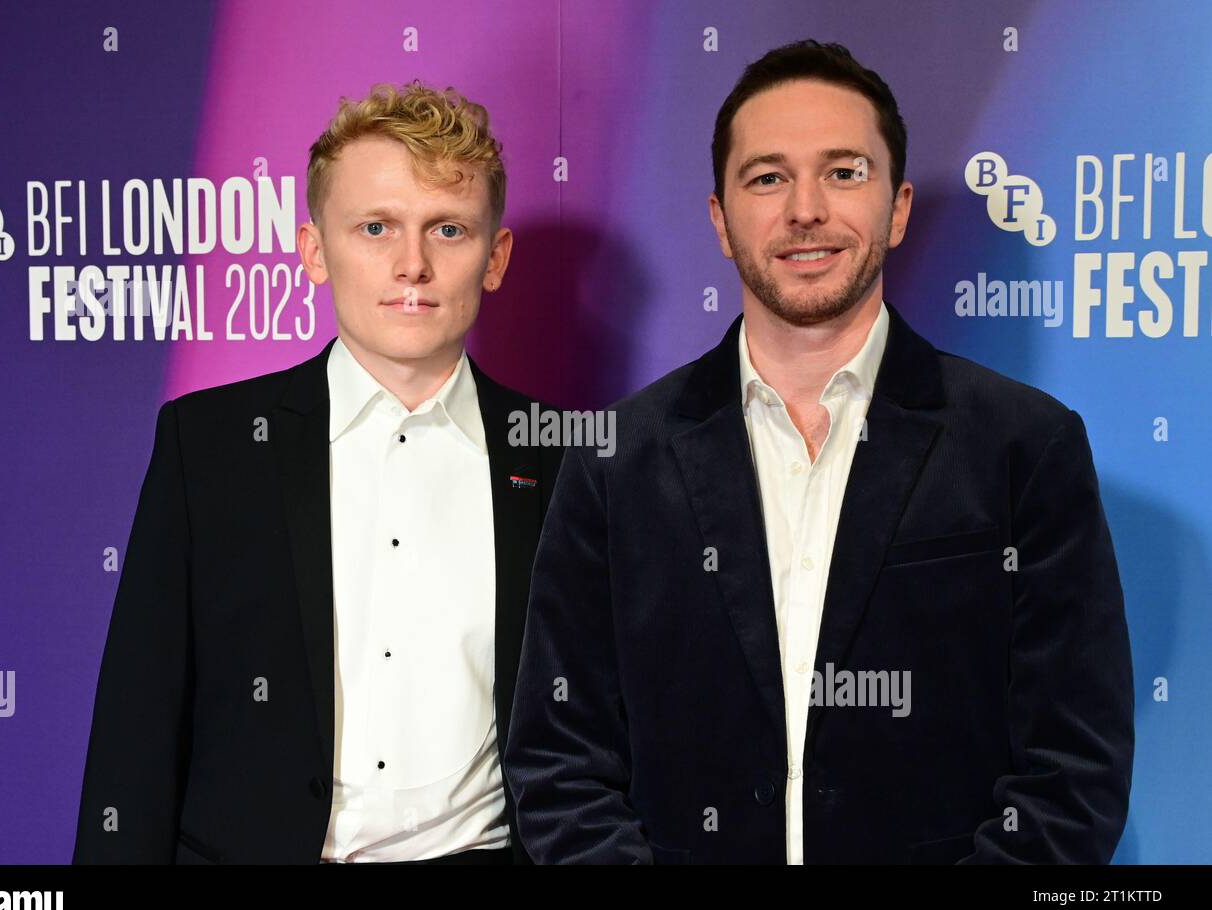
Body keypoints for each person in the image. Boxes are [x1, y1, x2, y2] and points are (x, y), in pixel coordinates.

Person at [505, 40, 1134, 864]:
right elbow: (558, 765)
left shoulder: (1026, 445)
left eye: (844, 172)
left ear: (898, 208)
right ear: (721, 220)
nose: (806, 209)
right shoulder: (615, 462)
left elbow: (1074, 773)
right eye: (768, 177)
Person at [74, 81, 562, 864]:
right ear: (313, 251)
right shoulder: (210, 446)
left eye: (448, 228)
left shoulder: (564, 458)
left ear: (495, 256)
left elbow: (606, 736)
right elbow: (140, 717)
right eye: (376, 227)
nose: (413, 265)